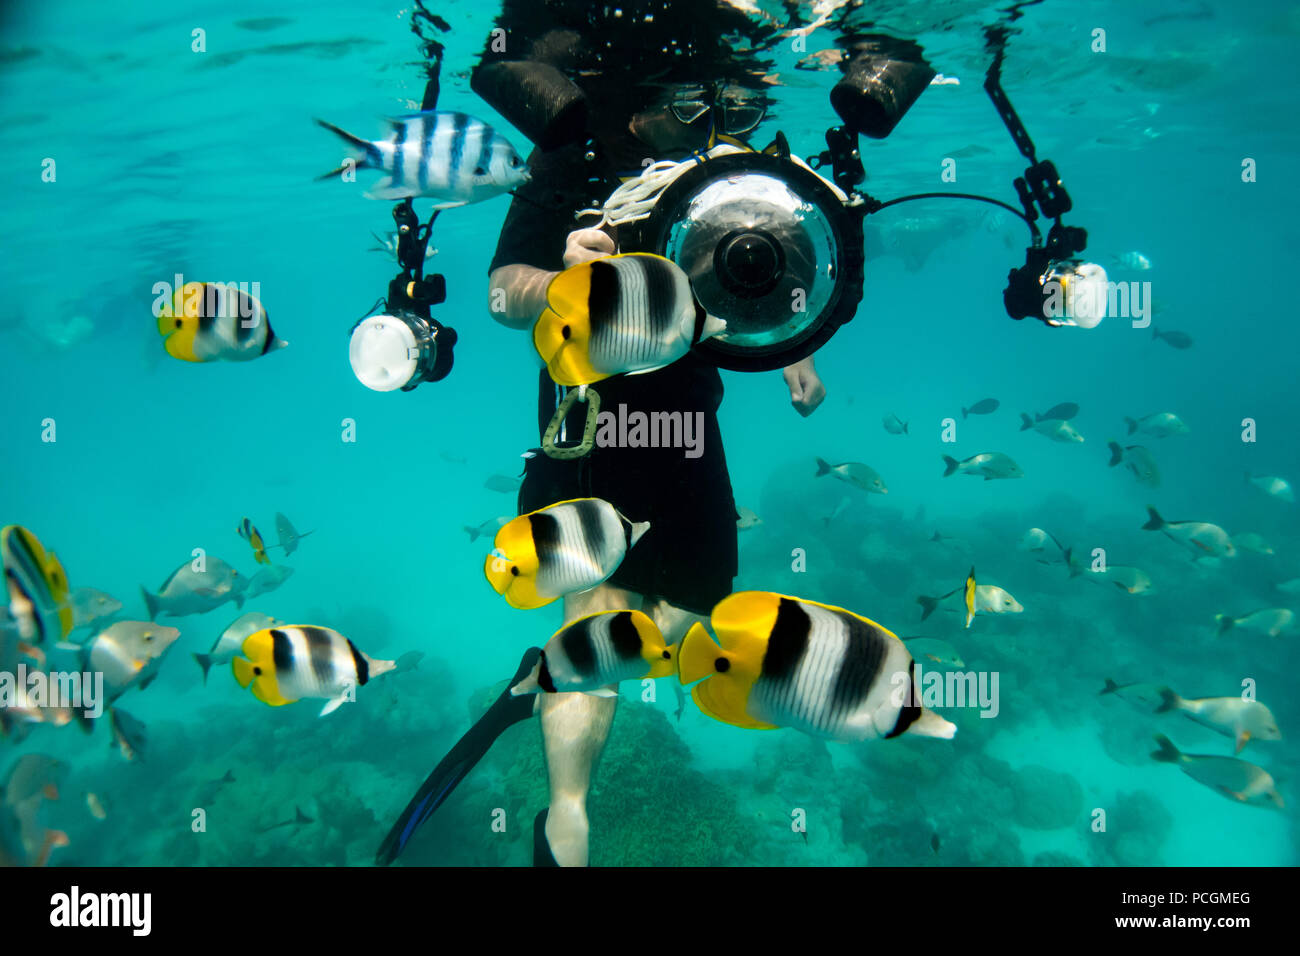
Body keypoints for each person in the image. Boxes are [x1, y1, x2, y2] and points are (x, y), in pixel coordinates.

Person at [379, 0, 829, 868]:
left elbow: (763, 283)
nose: (721, 123)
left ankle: (544, 675)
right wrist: (564, 278)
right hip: (590, 415)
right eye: (700, 108)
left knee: (685, 616)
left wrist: (789, 352)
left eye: (735, 109)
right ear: (635, 105)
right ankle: (567, 818)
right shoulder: (569, 157)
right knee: (599, 604)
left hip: (689, 420)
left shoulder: (734, 178)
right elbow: (501, 295)